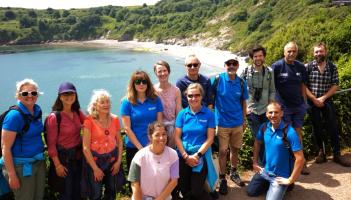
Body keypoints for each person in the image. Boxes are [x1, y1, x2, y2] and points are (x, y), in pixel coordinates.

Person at [246, 102, 305, 200]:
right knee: (251, 192)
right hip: (265, 171)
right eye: (270, 112)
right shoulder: (264, 127)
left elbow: (300, 158)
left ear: (281, 113)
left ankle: (287, 186)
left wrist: (290, 179)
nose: (273, 115)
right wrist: (255, 162)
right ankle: (272, 186)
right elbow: (257, 143)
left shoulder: (289, 132)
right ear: (266, 114)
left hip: (280, 176)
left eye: (276, 112)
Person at [305, 42, 351, 167]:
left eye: (321, 51)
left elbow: (335, 85)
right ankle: (321, 153)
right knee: (317, 128)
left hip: (327, 100)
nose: (319, 53)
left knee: (333, 127)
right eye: (316, 52)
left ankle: (337, 154)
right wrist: (314, 99)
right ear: (313, 53)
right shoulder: (308, 67)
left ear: (326, 52)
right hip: (312, 102)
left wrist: (323, 98)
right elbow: (303, 86)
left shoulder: (332, 67)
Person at [1, 79, 45, 200]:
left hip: (38, 163)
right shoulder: (14, 116)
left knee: (38, 196)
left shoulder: (36, 111)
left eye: (33, 93)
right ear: (18, 95)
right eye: (25, 93)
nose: (30, 96)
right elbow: (5, 148)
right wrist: (12, 175)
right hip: (20, 167)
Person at [271, 41, 309, 175]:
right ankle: (286, 164)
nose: (291, 53)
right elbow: (270, 87)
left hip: (298, 106)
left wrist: (304, 103)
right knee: (284, 135)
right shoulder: (276, 66)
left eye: (294, 51)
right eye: (289, 51)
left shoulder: (300, 67)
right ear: (284, 52)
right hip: (283, 108)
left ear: (296, 52)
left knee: (298, 134)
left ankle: (301, 163)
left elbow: (303, 85)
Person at [212, 56, 249, 195]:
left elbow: (244, 102)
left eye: (234, 64)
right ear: (225, 65)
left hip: (237, 123)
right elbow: (209, 100)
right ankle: (222, 178)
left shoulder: (241, 82)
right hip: (222, 123)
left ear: (238, 66)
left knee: (235, 149)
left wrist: (244, 119)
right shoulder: (217, 80)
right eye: (229, 64)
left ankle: (233, 172)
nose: (231, 66)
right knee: (222, 152)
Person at [175, 83, 218, 200]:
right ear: (186, 97)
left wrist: (197, 155)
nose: (193, 98)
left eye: (197, 95)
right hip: (183, 154)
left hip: (200, 155)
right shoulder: (182, 114)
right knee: (183, 188)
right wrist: (185, 156)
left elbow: (210, 139)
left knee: (196, 191)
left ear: (201, 96)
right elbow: (177, 137)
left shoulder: (209, 114)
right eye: (190, 96)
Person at [46, 82, 85, 200]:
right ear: (60, 97)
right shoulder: (54, 117)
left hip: (78, 159)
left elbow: (90, 123)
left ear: (76, 95)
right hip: (64, 161)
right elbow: (51, 145)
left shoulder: (77, 112)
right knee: (66, 193)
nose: (69, 96)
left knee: (78, 192)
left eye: (71, 93)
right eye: (65, 94)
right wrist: (57, 165)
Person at [82, 89, 123, 200]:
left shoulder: (115, 119)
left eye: (108, 101)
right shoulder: (89, 121)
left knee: (112, 191)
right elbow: (85, 147)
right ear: (95, 105)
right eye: (102, 102)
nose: (106, 104)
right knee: (95, 193)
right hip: (94, 162)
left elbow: (119, 140)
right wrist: (95, 169)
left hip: (112, 160)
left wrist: (118, 162)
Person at [120, 70, 163, 171]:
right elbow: (127, 128)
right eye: (138, 82)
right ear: (133, 84)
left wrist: (152, 144)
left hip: (153, 145)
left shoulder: (156, 100)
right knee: (136, 181)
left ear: (148, 84)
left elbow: (159, 124)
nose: (141, 84)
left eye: (144, 82)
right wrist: (141, 148)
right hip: (134, 147)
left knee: (154, 177)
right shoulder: (127, 102)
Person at [128, 121, 179, 200]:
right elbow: (135, 184)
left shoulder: (173, 154)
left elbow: (174, 181)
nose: (161, 138)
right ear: (150, 137)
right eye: (157, 135)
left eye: (164, 134)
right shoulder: (140, 156)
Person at [153, 60, 182, 148]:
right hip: (157, 130)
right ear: (156, 73)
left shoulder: (176, 90)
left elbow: (178, 113)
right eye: (159, 71)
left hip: (172, 129)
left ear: (169, 72)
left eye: (164, 70)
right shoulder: (152, 90)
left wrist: (176, 133)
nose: (162, 73)